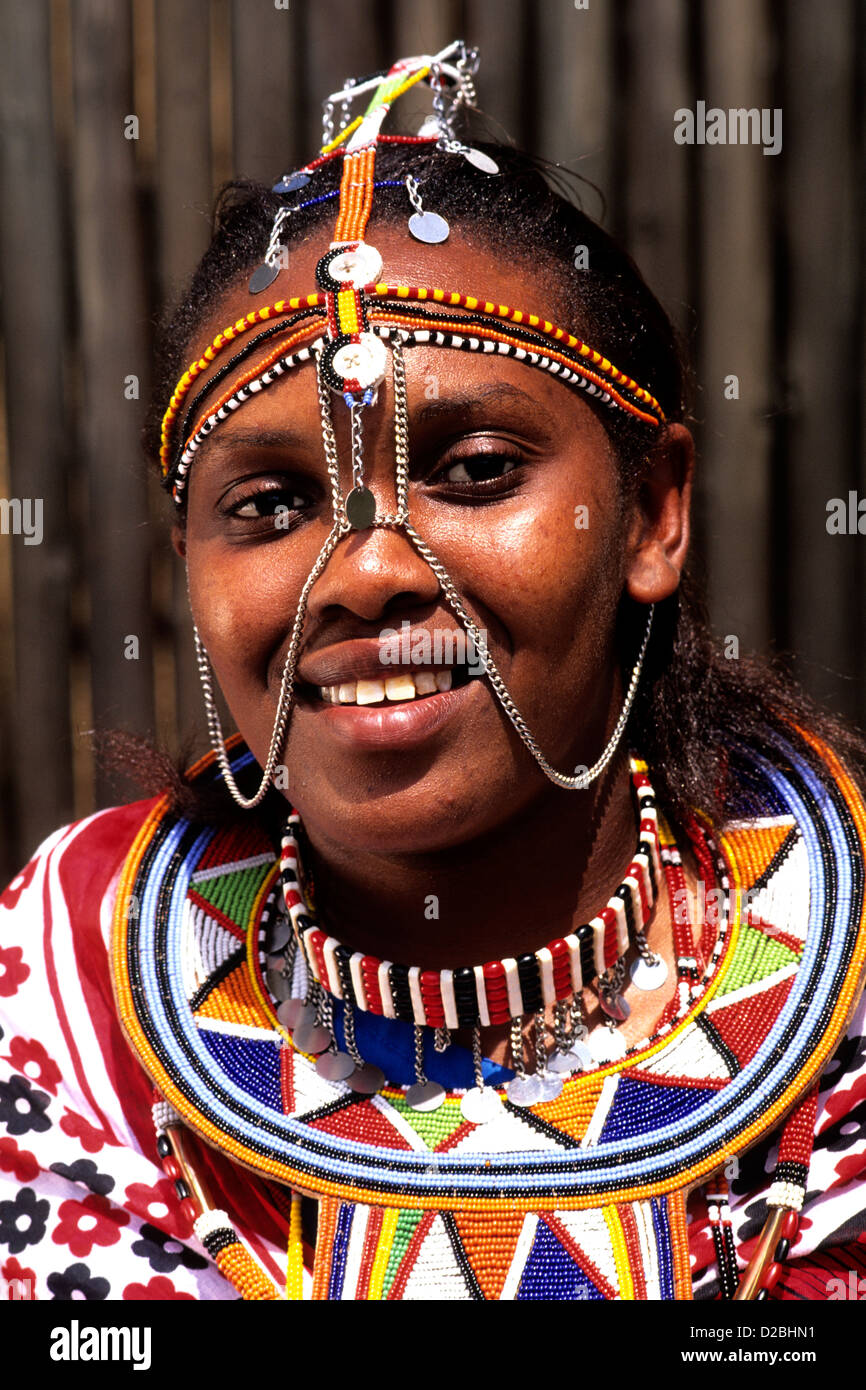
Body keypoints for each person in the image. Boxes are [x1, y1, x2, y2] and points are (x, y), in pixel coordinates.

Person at [1, 42, 864, 1303]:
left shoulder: (843, 992)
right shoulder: (73, 974)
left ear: (649, 514)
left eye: (473, 472)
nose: (362, 573)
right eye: (269, 502)